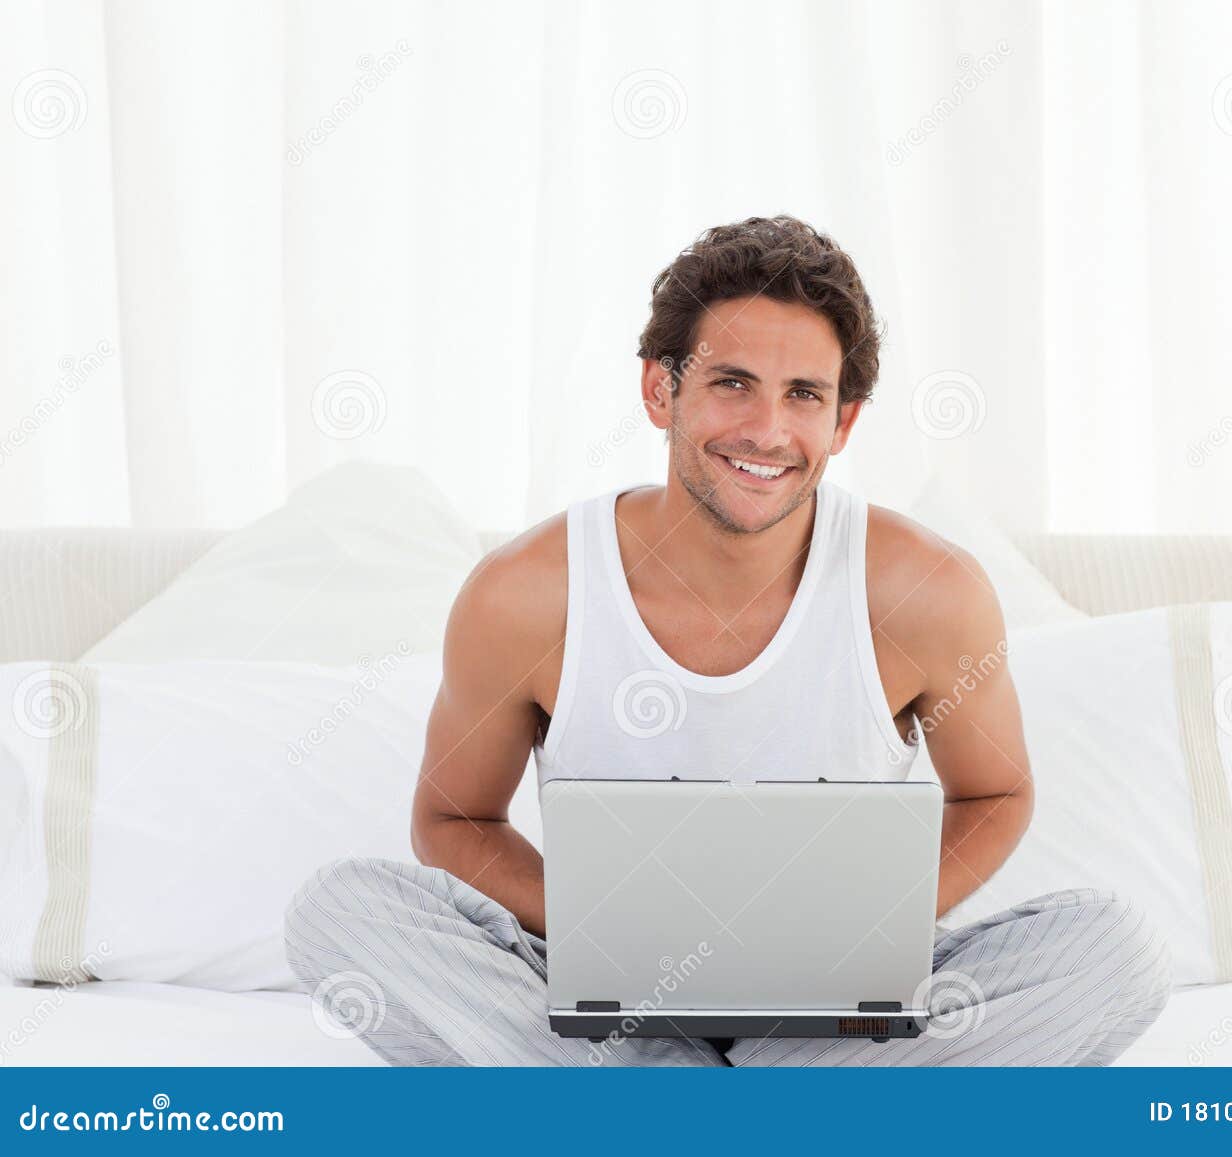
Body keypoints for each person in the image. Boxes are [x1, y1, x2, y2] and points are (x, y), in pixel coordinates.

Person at [283, 215, 1171, 1066]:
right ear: (660, 389)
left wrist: (844, 936)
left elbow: (997, 794)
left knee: (1114, 950)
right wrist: (624, 930)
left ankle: (669, 1117)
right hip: (608, 1006)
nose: (768, 431)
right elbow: (452, 818)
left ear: (843, 423)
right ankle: (753, 1109)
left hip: (834, 1016)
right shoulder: (523, 593)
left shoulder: (927, 590)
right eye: (732, 381)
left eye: (804, 396)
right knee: (342, 911)